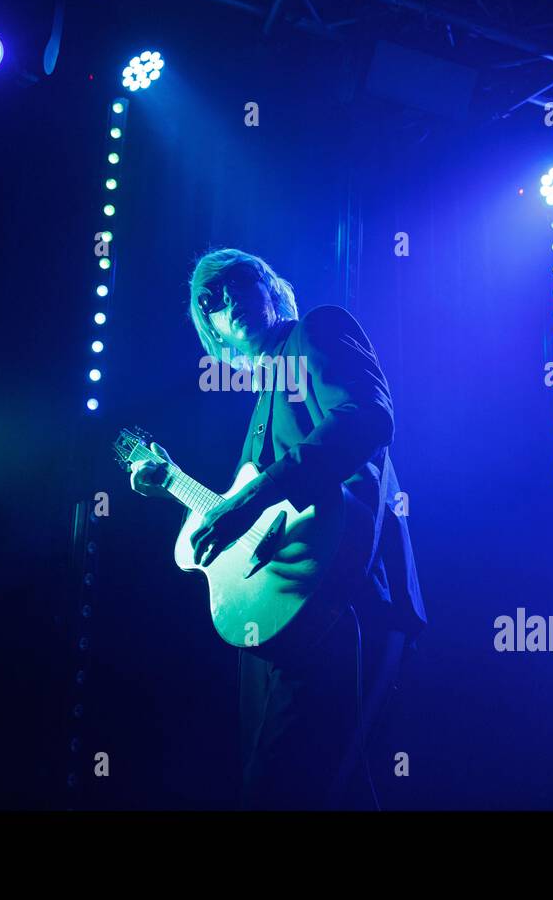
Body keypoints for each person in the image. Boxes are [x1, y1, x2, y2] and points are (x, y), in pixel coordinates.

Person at [129, 247, 426, 809]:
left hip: (351, 593)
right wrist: (172, 482)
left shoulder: (317, 329)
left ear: (267, 285)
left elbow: (367, 416)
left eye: (232, 282)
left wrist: (247, 502)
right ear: (211, 332)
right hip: (278, 616)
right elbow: (256, 522)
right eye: (205, 302)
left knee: (280, 787)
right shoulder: (263, 401)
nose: (219, 300)